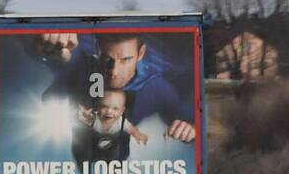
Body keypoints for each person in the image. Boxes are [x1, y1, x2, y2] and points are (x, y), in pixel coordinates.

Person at [38, 32, 196, 142]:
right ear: (98, 51)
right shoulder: (83, 67)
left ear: (141, 54)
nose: (114, 71)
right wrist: (51, 42)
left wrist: (190, 128)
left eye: (126, 59)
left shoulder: (157, 89)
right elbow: (59, 58)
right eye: (107, 59)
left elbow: (186, 120)